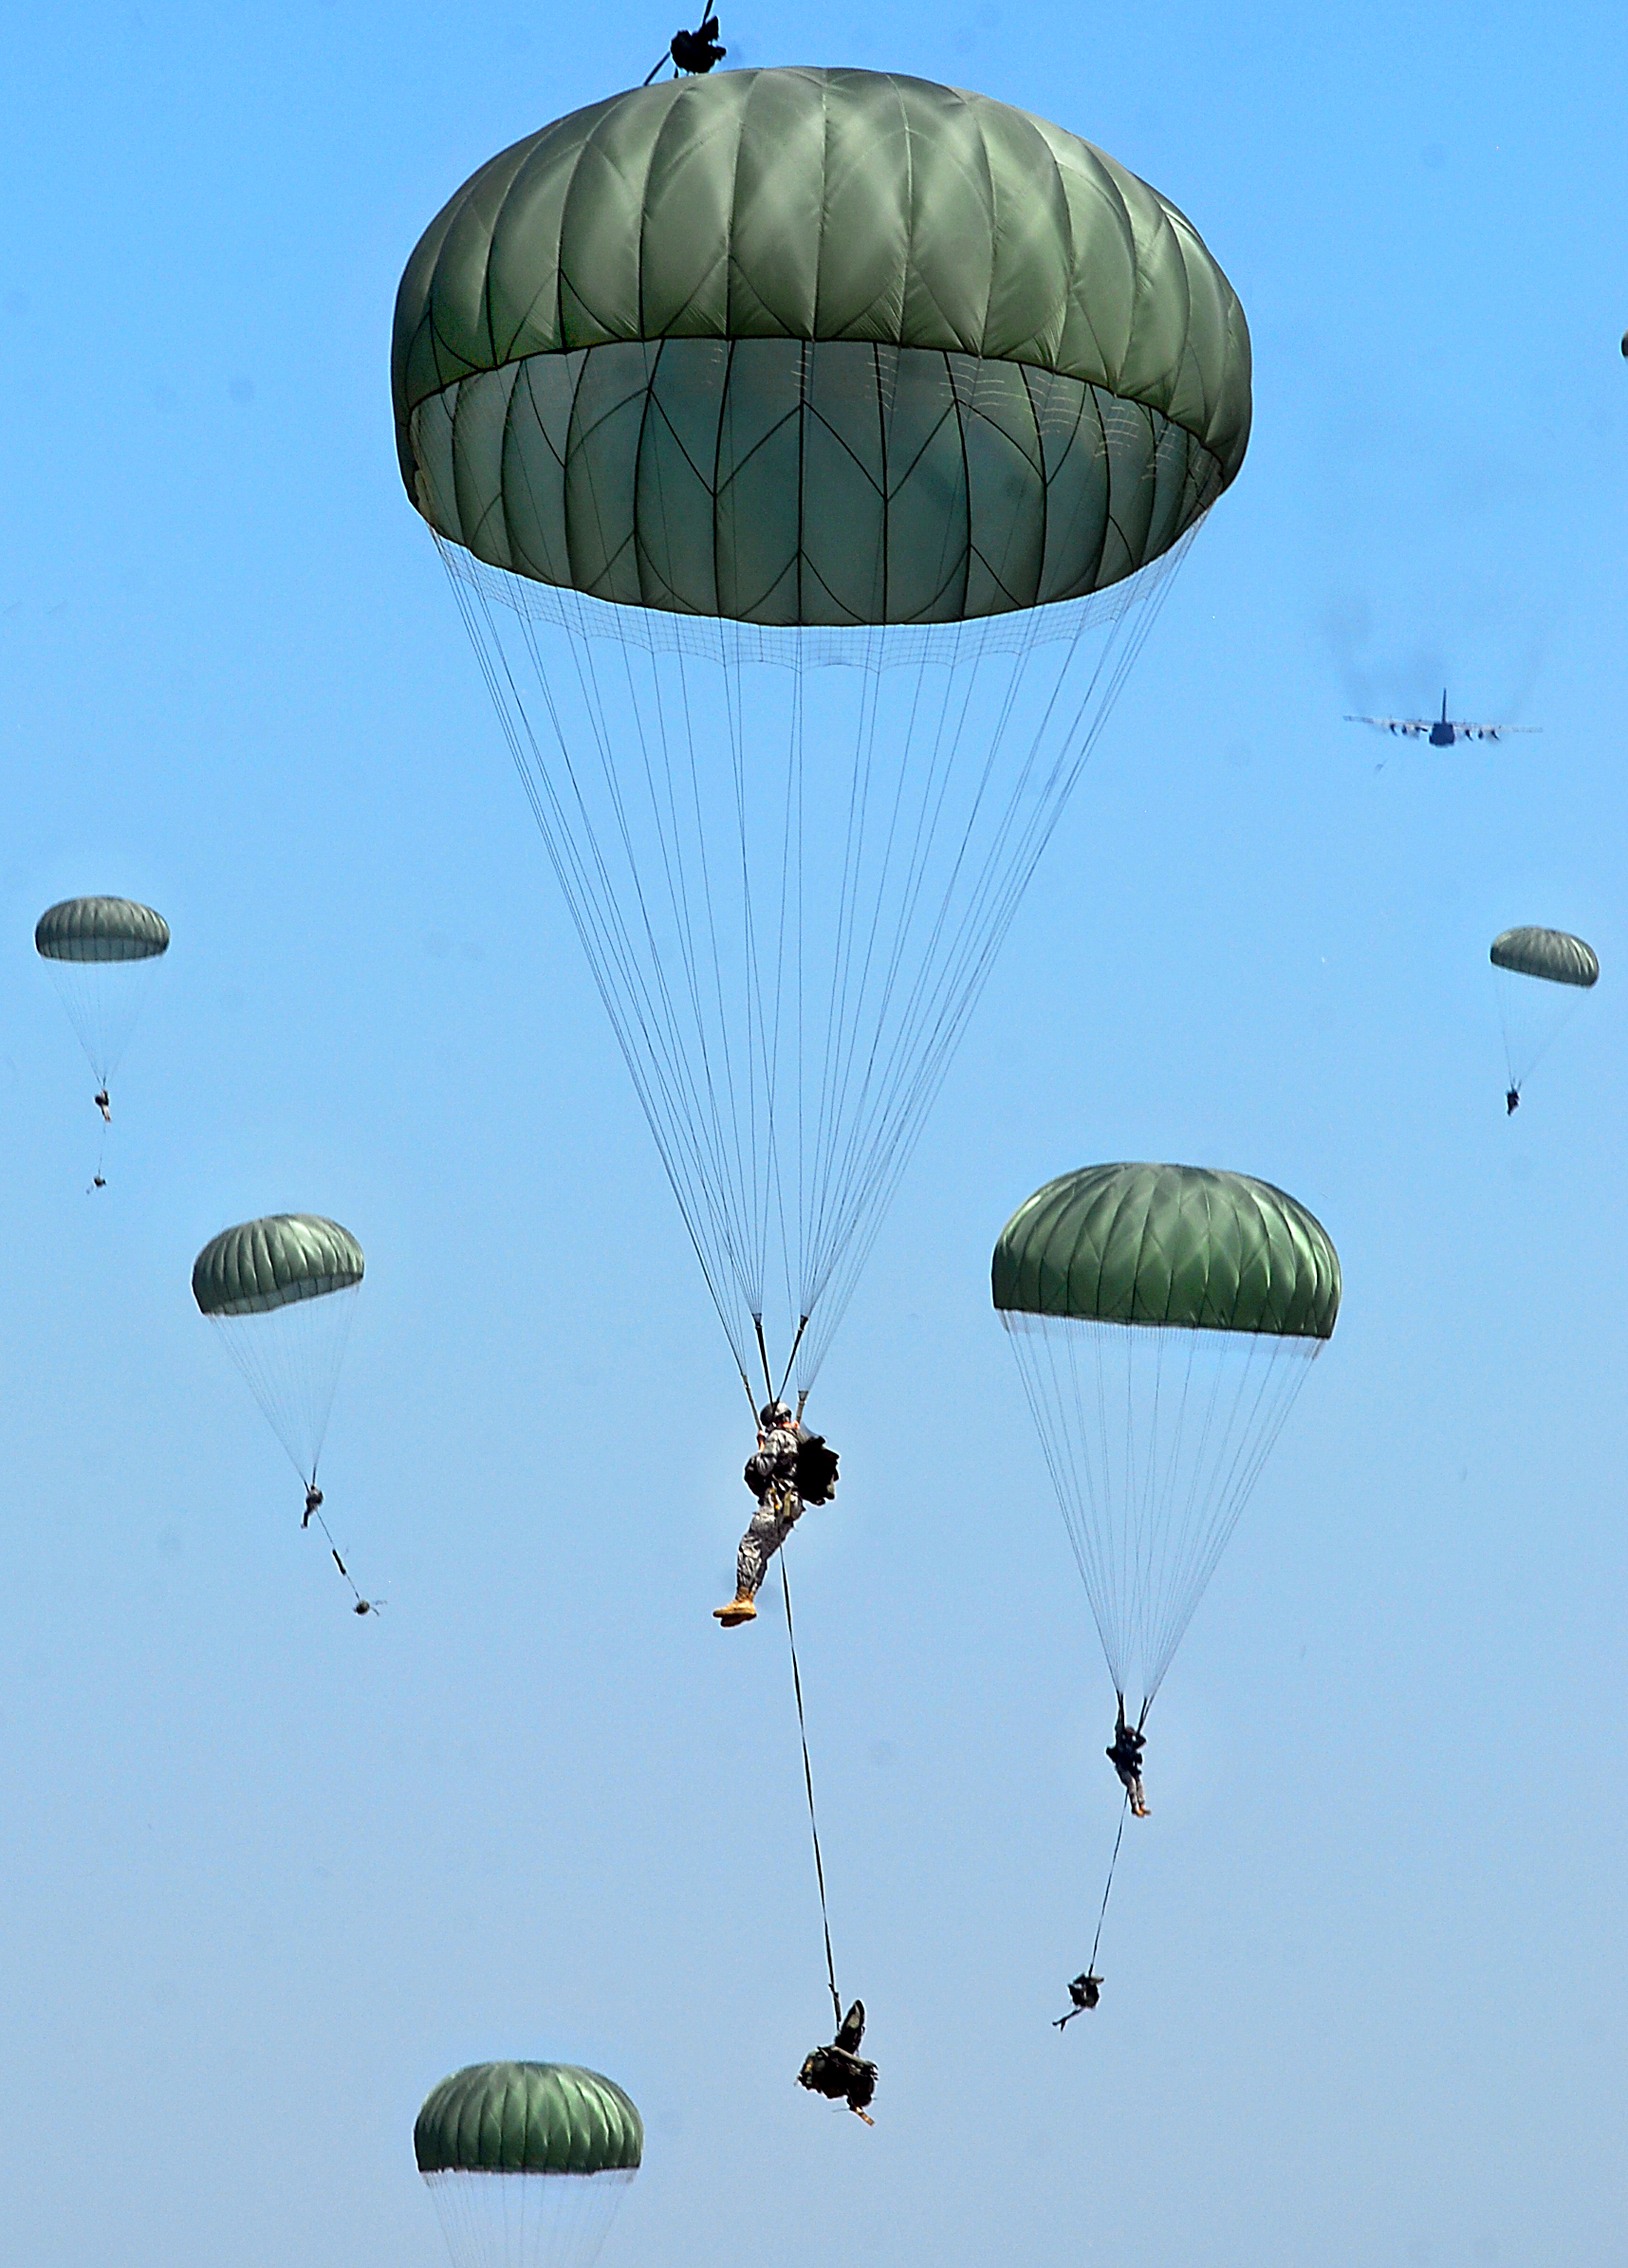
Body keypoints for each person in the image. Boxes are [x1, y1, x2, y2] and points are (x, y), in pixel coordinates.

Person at [714, 1400, 838, 1627]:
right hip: (791, 1511)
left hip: (776, 1504)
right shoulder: (798, 1441)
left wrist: (761, 1447)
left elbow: (762, 1468)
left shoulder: (778, 1437)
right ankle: (748, 1600)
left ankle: (742, 1597)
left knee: (749, 1546)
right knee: (761, 1553)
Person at [798, 1999, 877, 2123]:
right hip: (826, 2062)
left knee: (845, 2046)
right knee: (848, 2044)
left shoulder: (837, 2088)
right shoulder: (847, 2080)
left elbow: (836, 2051)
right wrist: (861, 2063)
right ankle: (853, 2027)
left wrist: (860, 2063)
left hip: (823, 2064)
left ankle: (852, 2028)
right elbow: (836, 2052)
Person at [1106, 1698, 1149, 1817]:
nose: (1131, 1736)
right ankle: (1134, 1807)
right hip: (1123, 1769)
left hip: (1130, 1769)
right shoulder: (1121, 1742)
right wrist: (1120, 1715)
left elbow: (1143, 1741)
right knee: (1132, 1783)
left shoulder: (1132, 1744)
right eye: (1129, 1734)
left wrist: (1137, 1734)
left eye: (1132, 1734)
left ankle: (1141, 1805)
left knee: (1139, 1782)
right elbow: (1118, 1730)